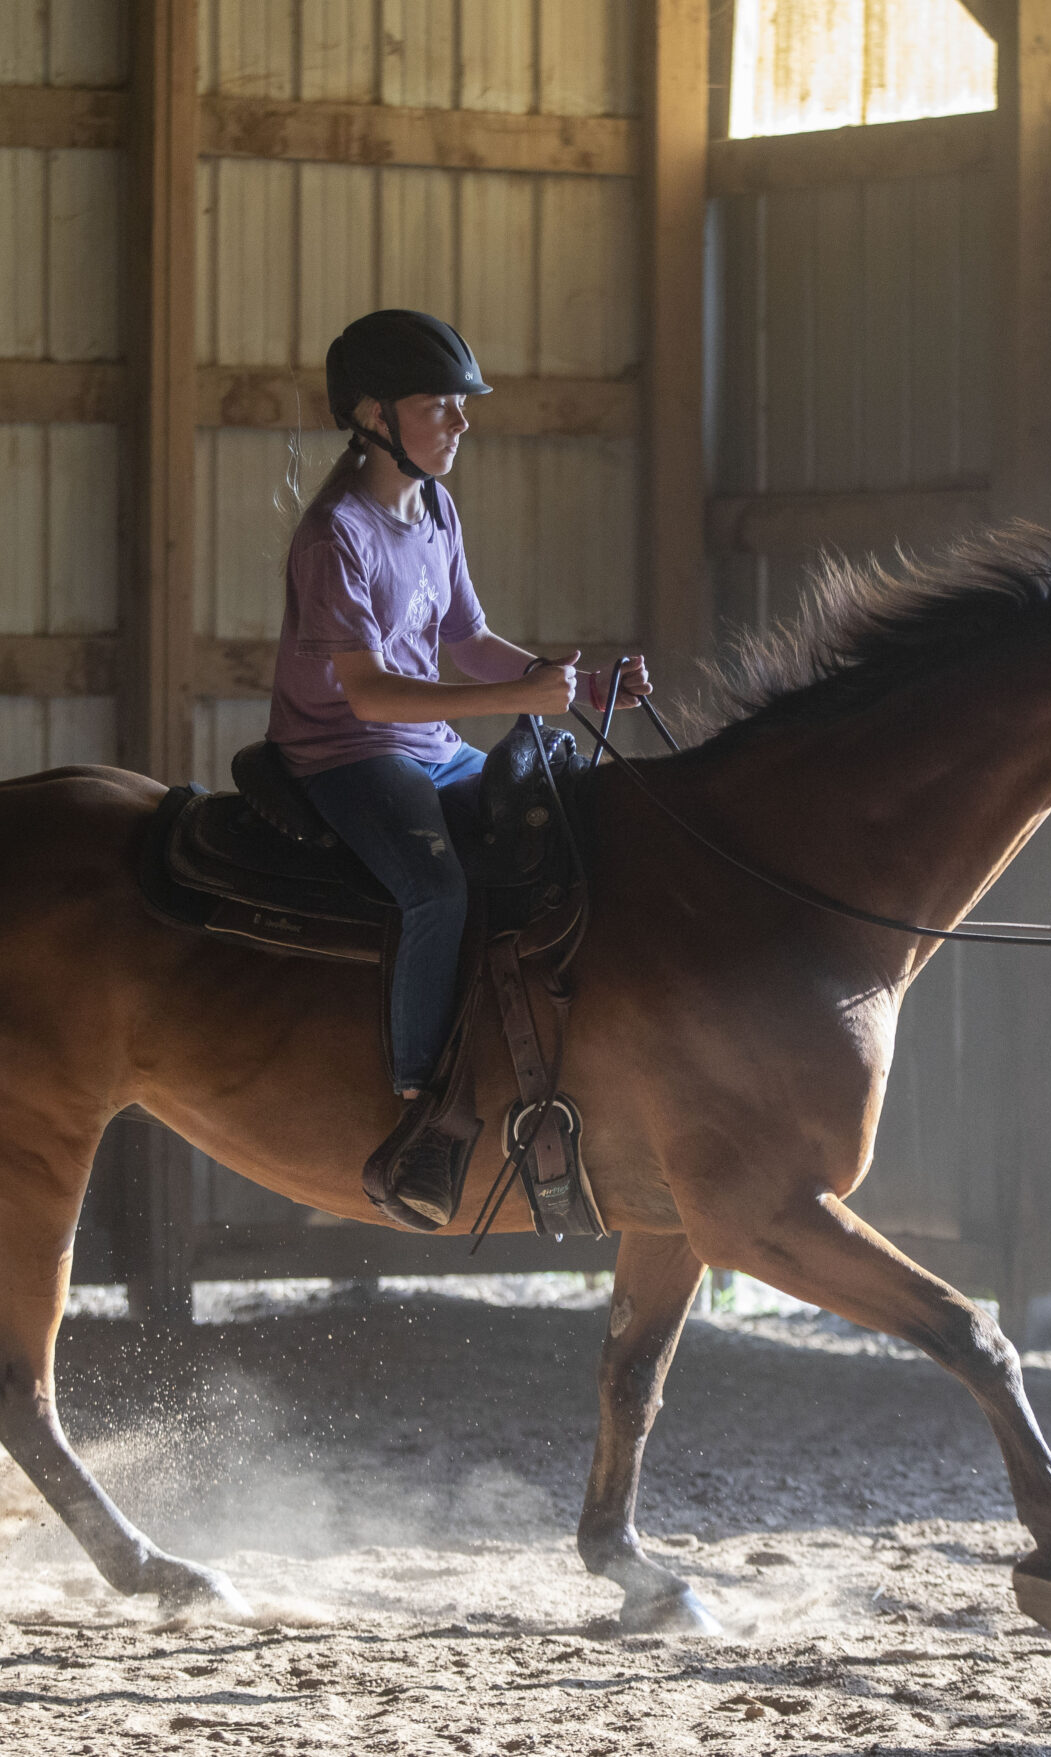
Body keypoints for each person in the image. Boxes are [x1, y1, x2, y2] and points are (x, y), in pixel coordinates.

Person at [265, 308, 650, 1228]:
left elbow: (462, 640)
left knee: (552, 827)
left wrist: (580, 685)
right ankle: (420, 1105)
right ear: (373, 414)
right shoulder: (335, 536)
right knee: (435, 891)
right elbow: (366, 694)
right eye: (440, 404)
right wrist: (516, 701)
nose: (461, 420)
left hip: (429, 746)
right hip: (345, 755)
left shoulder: (434, 507)